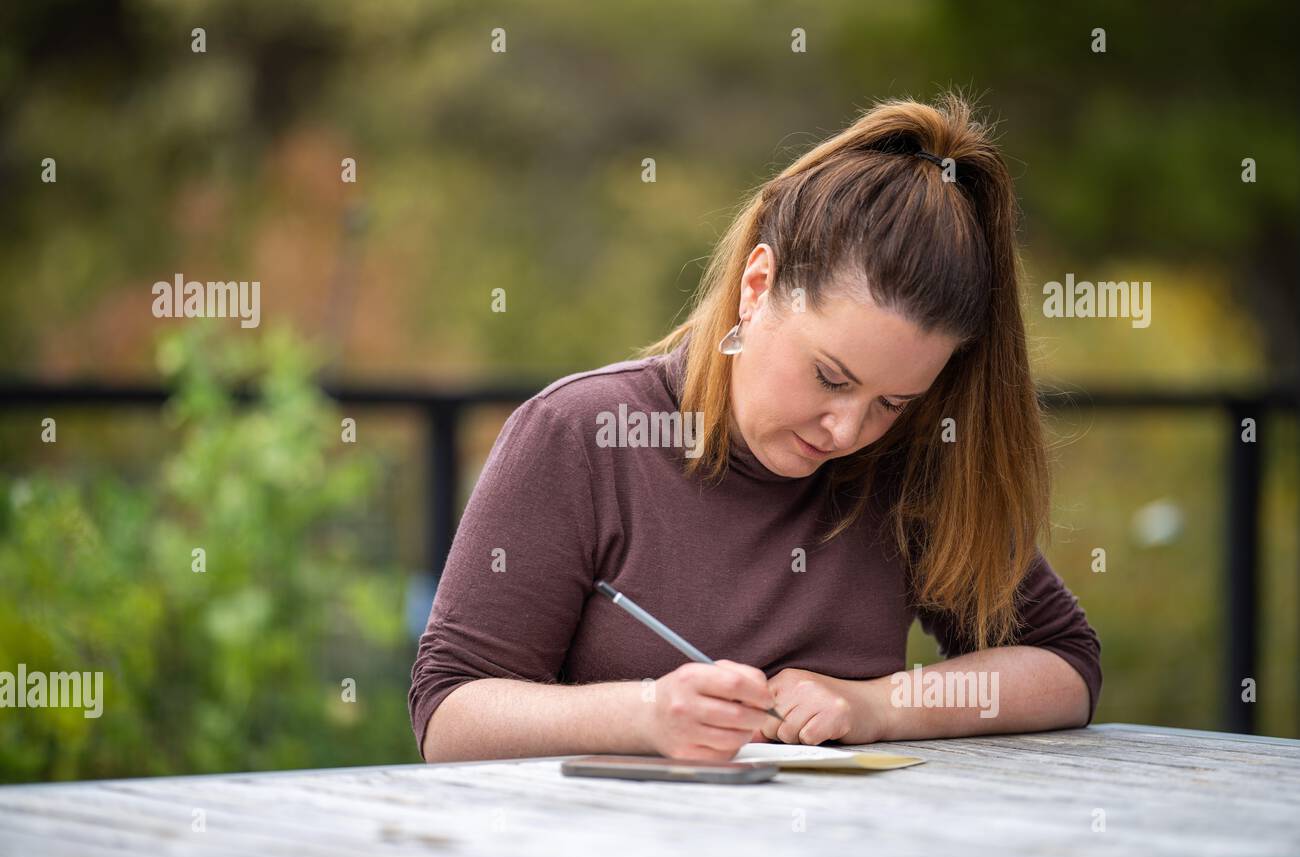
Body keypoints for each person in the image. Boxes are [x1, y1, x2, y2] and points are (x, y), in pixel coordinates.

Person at [409, 92, 1102, 764]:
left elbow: (1063, 666)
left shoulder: (906, 466)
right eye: (831, 377)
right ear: (757, 284)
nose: (848, 429)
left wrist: (880, 706)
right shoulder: (582, 437)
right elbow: (449, 716)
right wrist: (646, 714)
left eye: (894, 402)